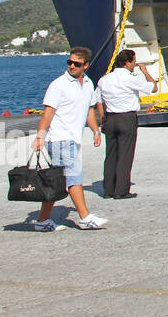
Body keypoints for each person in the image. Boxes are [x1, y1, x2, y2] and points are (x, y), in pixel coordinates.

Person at [29, 47, 107, 231]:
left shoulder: (88, 83)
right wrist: (40, 136)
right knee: (73, 178)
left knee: (59, 181)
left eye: (76, 64)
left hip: (74, 138)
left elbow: (88, 109)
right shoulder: (58, 85)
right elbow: (48, 113)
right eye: (69, 62)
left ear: (85, 65)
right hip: (60, 138)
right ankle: (85, 217)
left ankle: (42, 221)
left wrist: (95, 131)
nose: (71, 66)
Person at [95, 48, 156, 199]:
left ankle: (108, 189)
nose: (135, 64)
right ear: (128, 63)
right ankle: (121, 190)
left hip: (110, 118)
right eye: (134, 62)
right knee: (125, 155)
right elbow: (153, 87)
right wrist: (145, 71)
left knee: (110, 155)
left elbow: (98, 101)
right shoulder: (130, 78)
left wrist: (103, 119)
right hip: (126, 118)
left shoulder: (104, 79)